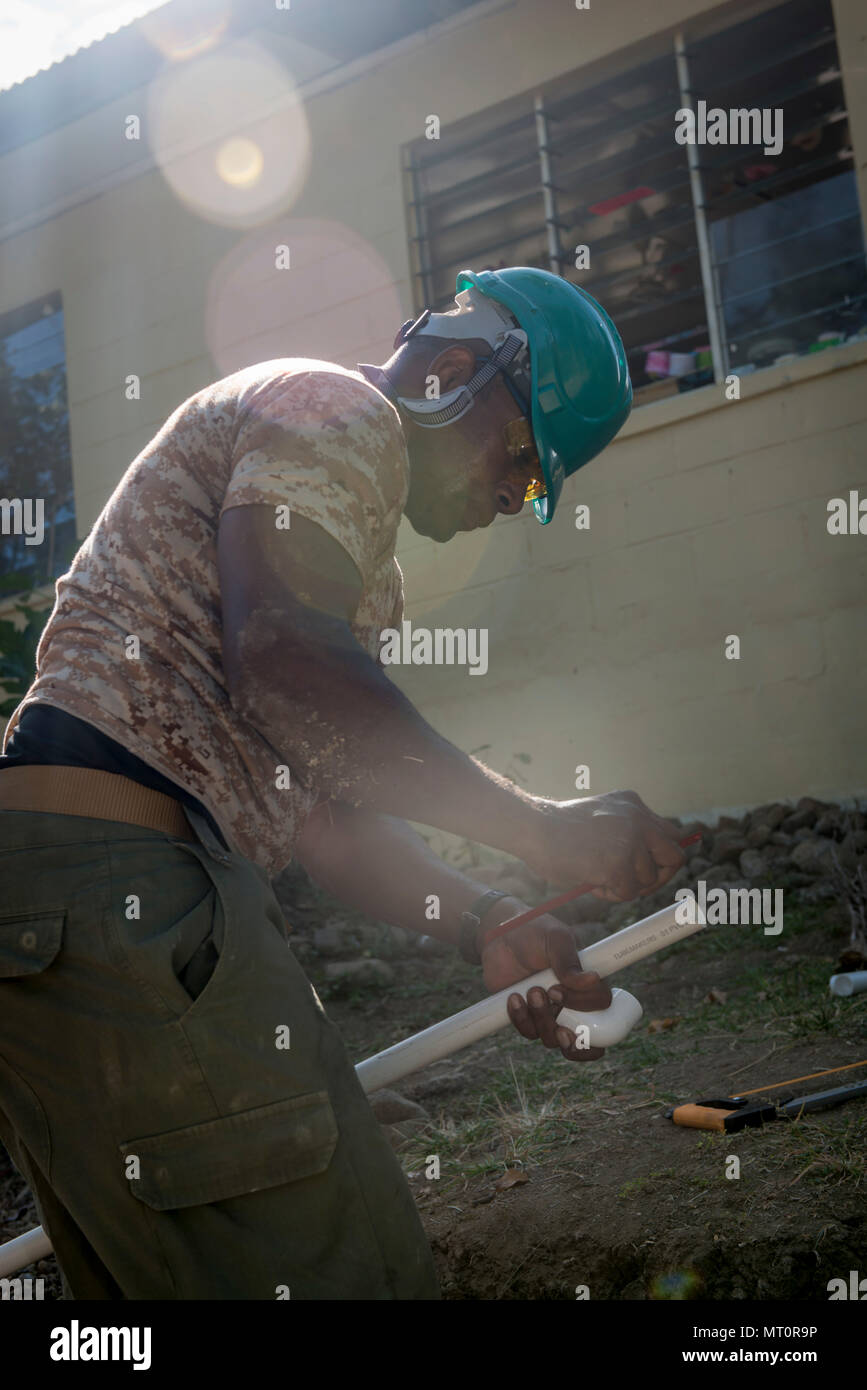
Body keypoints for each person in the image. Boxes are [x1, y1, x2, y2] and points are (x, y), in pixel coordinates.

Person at [0, 266, 683, 1299]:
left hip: (77, 912)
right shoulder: (337, 405)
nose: (512, 494)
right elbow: (284, 659)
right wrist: (542, 828)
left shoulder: (345, 549)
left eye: (535, 488)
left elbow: (321, 822)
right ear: (453, 370)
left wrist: (490, 916)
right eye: (519, 454)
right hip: (128, 887)